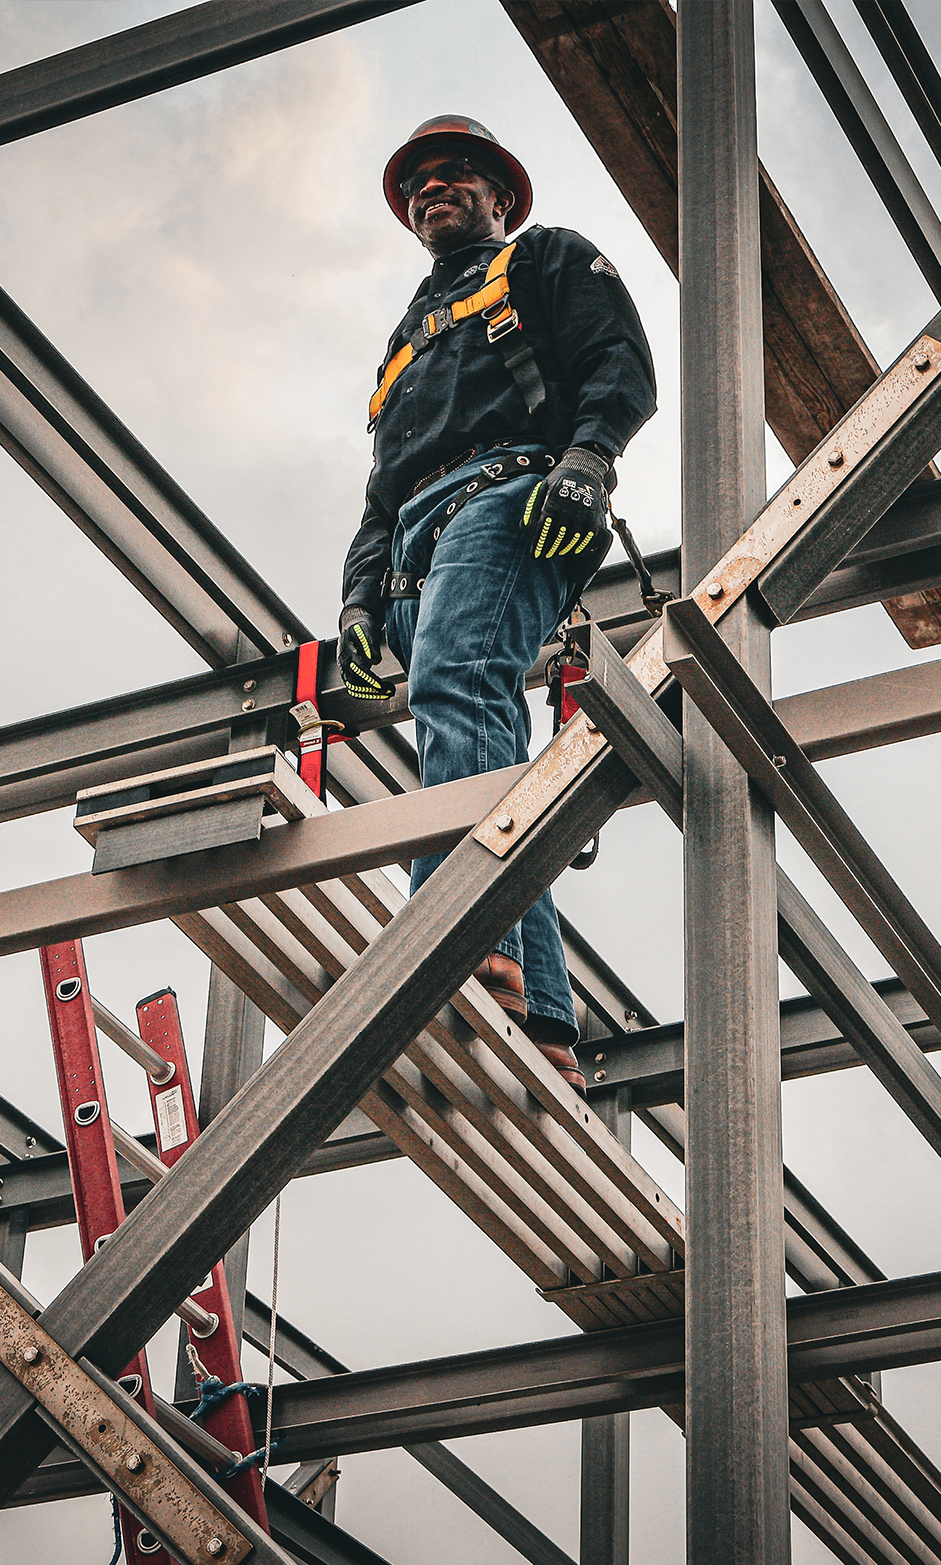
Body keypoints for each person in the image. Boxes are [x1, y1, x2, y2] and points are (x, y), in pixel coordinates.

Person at [338, 115, 656, 1092]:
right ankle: (543, 1018)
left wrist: (587, 462)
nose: (432, 191)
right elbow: (380, 494)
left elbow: (620, 365)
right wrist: (357, 603)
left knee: (460, 686)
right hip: (414, 550)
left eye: (456, 176)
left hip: (510, 495)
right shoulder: (406, 343)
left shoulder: (541, 260)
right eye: (417, 184)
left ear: (500, 197)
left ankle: (457, 933)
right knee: (473, 744)